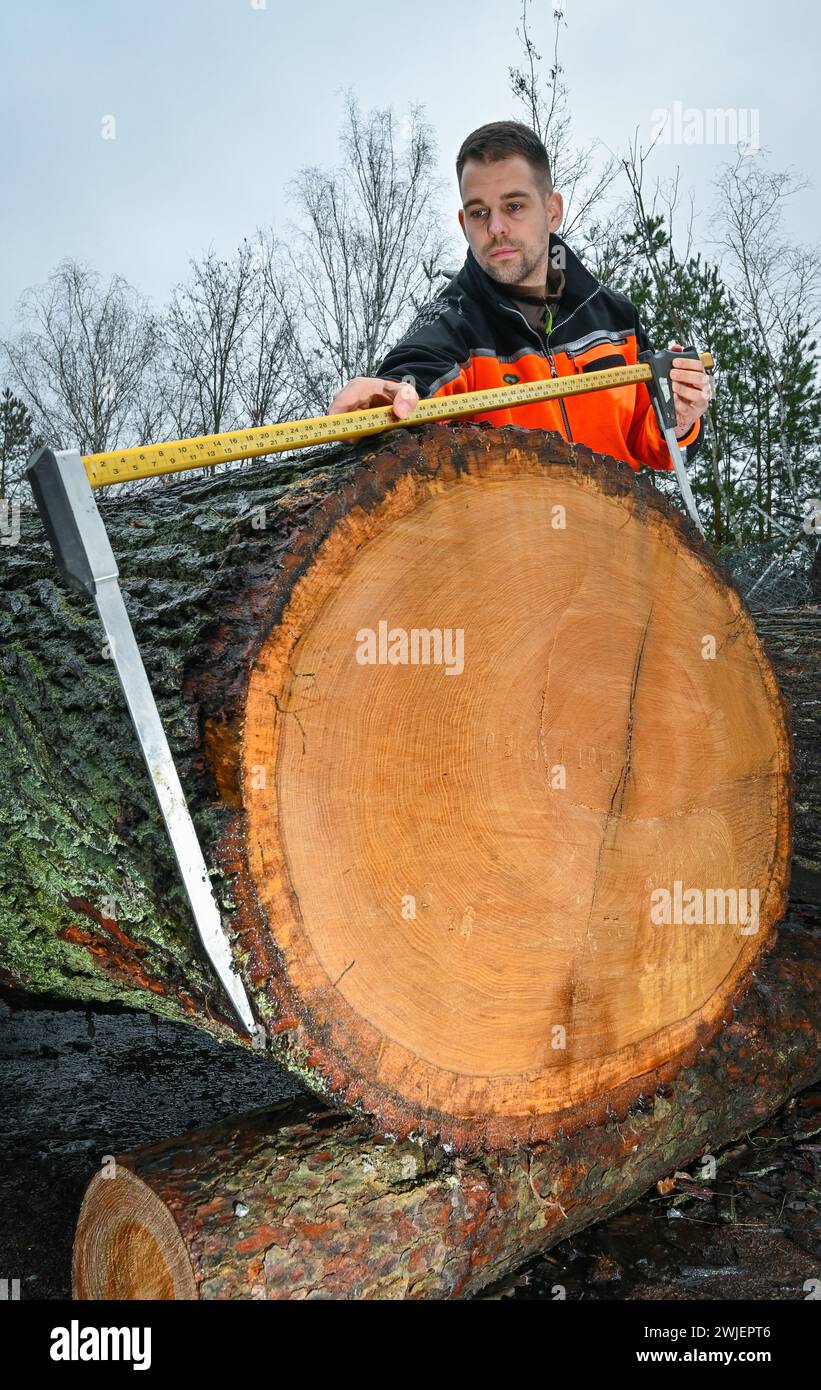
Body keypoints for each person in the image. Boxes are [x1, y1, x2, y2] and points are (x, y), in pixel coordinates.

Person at [327, 120, 712, 474]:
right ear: (464, 224)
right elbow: (413, 377)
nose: (496, 228)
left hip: (614, 541)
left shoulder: (615, 318)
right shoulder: (454, 324)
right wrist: (387, 396)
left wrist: (680, 416)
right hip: (510, 546)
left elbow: (652, 445)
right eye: (479, 213)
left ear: (552, 210)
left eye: (514, 207)